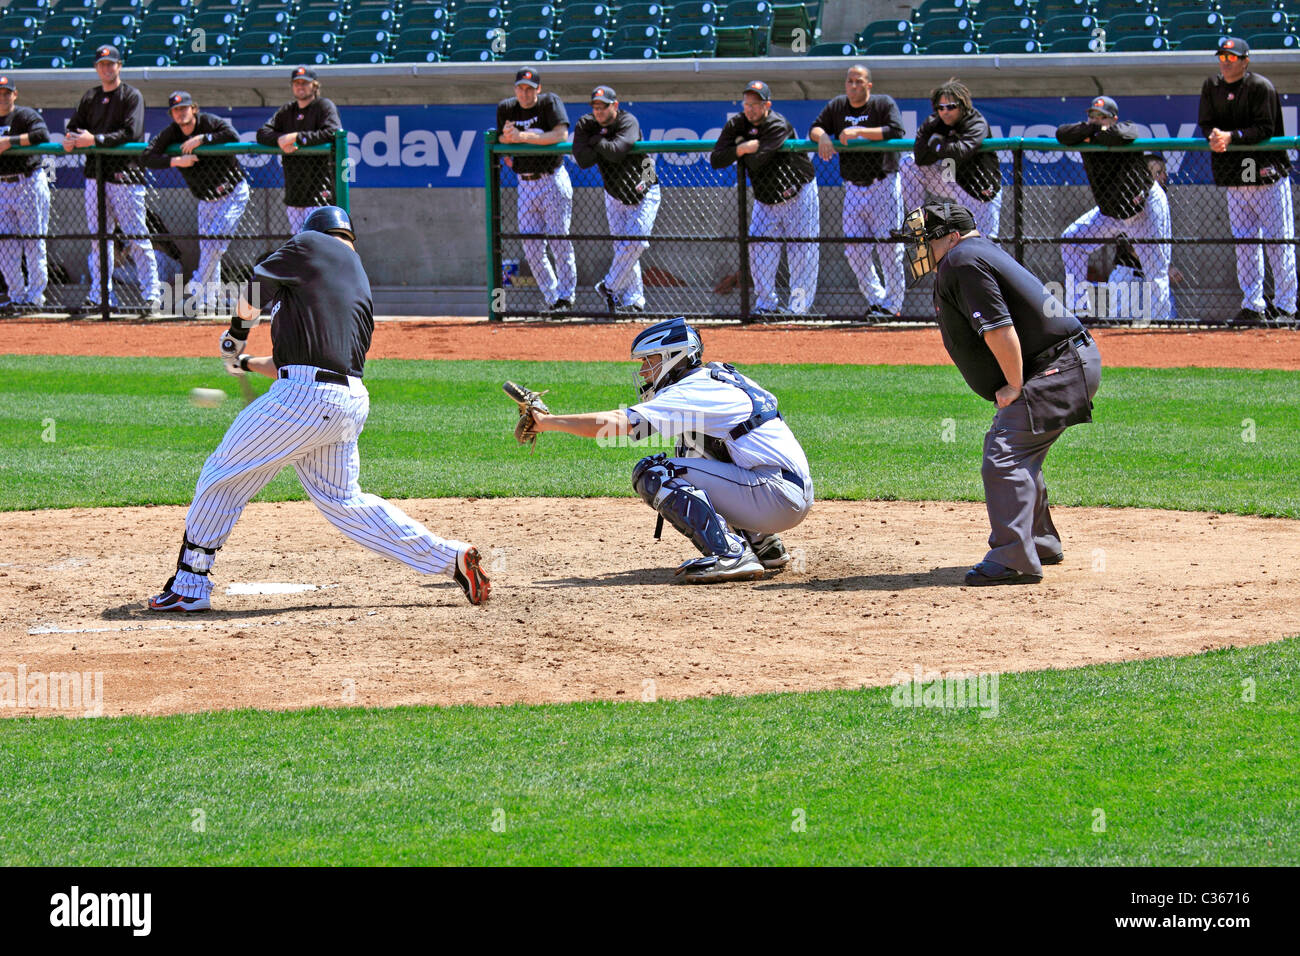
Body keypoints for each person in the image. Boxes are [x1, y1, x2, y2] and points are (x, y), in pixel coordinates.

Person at [148, 206, 490, 612]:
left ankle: (190, 583)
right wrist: (245, 361)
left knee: (223, 475)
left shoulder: (311, 244)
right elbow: (301, 359)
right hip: (344, 402)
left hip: (304, 399)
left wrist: (236, 333)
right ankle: (449, 557)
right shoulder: (356, 278)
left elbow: (255, 288)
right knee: (344, 501)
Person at [891, 202, 1101, 586]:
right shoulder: (972, 254)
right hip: (1067, 360)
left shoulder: (962, 260)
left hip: (1058, 365)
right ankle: (1038, 542)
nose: (919, 248)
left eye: (925, 240)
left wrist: (1015, 384)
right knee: (1015, 445)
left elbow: (998, 328)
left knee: (1005, 453)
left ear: (952, 237)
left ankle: (1014, 558)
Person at [528, 317, 813, 583]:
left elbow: (616, 425)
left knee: (654, 472)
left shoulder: (690, 391)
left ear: (671, 357)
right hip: (782, 491)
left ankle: (732, 555)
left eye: (648, 361)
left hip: (774, 495)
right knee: (692, 446)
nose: (643, 371)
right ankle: (763, 543)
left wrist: (545, 422)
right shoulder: (715, 377)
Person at [1198, 36, 1295, 325]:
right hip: (1234, 174)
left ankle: (1287, 307)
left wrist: (1233, 137)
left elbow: (1265, 128)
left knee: (1279, 241)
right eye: (1222, 57)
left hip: (1262, 171)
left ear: (1245, 60)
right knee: (1245, 243)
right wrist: (1214, 136)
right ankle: (1253, 305)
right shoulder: (1211, 86)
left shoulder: (1259, 86)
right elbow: (1205, 123)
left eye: (1232, 58)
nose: (1225, 63)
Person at [1056, 96, 1173, 322]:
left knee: (1155, 268)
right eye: (1092, 116)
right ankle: (1079, 312)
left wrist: (1094, 134)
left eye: (1102, 117)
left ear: (1114, 118)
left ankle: (1161, 323)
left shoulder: (1123, 128)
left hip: (1145, 205)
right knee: (1071, 242)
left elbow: (1126, 133)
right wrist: (1090, 130)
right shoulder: (1084, 132)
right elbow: (1062, 133)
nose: (1096, 120)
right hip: (1111, 212)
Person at [64, 44, 159, 316]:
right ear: (96, 68)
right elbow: (73, 127)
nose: (106, 68)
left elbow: (132, 132)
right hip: (95, 175)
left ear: (119, 66)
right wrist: (73, 139)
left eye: (111, 63)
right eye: (101, 64)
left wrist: (94, 139)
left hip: (125, 176)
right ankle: (101, 295)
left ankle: (151, 296)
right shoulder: (90, 97)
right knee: (99, 238)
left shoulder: (131, 95)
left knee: (136, 236)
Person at [711, 80, 819, 316]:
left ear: (767, 105)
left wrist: (744, 149)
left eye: (756, 104)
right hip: (765, 198)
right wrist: (741, 148)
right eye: (746, 103)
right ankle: (766, 306)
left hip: (797, 193)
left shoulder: (777, 124)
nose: (750, 109)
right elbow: (716, 159)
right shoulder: (737, 123)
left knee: (801, 254)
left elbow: (758, 160)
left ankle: (798, 310)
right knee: (760, 253)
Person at [809, 64, 906, 318]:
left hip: (882, 184)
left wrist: (859, 131)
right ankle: (877, 300)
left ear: (868, 85)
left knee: (889, 248)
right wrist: (824, 138)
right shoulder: (838, 105)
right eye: (850, 81)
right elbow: (815, 128)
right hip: (853, 187)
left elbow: (896, 131)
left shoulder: (882, 103)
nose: (853, 86)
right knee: (854, 248)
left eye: (859, 81)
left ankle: (893, 305)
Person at [142, 91, 250, 315]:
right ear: (172, 114)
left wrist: (203, 139)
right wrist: (176, 160)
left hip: (232, 192)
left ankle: (197, 289)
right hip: (205, 200)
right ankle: (209, 302)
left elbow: (233, 135)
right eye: (176, 110)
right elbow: (146, 156)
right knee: (210, 251)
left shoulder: (208, 122)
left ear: (194, 109)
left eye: (184, 108)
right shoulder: (171, 133)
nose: (181, 113)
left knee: (213, 245)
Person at [572, 85, 659, 315]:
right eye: (595, 107)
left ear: (615, 105)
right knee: (623, 247)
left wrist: (596, 142)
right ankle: (634, 300)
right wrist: (597, 140)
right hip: (615, 192)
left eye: (604, 106)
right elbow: (582, 160)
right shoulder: (586, 124)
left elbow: (618, 149)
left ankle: (609, 285)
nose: (599, 112)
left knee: (636, 242)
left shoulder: (627, 120)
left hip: (645, 184)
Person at [497, 67, 576, 315]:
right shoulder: (507, 108)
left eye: (529, 89)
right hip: (525, 184)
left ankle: (566, 295)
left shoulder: (549, 103)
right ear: (515, 89)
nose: (524, 93)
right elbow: (500, 140)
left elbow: (560, 134)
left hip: (551, 178)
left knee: (559, 240)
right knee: (531, 246)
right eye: (520, 88)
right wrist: (510, 138)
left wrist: (522, 136)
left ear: (538, 90)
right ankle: (553, 298)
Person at [900, 78, 1001, 240]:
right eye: (941, 107)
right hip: (950, 178)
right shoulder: (934, 122)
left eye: (951, 107)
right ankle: (917, 226)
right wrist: (942, 146)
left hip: (978, 186)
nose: (945, 111)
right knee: (907, 163)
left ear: (962, 106)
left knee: (986, 242)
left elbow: (961, 151)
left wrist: (938, 145)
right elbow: (920, 156)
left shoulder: (975, 122)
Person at [256, 66, 342, 235]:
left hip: (320, 188)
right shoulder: (288, 110)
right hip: (294, 189)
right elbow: (262, 133)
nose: (300, 86)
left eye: (304, 83)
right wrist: (280, 140)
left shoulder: (323, 106)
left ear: (314, 86)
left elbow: (333, 132)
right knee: (299, 243)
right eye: (296, 83)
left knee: (320, 241)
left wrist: (298, 137)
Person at [0, 75, 50, 315]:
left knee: (33, 242)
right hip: (2, 186)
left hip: (27, 181)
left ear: (15, 94)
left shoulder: (24, 115)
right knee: (5, 246)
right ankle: (16, 297)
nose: (2, 97)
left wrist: (9, 141)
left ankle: (35, 297)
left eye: (6, 92)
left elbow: (42, 135)